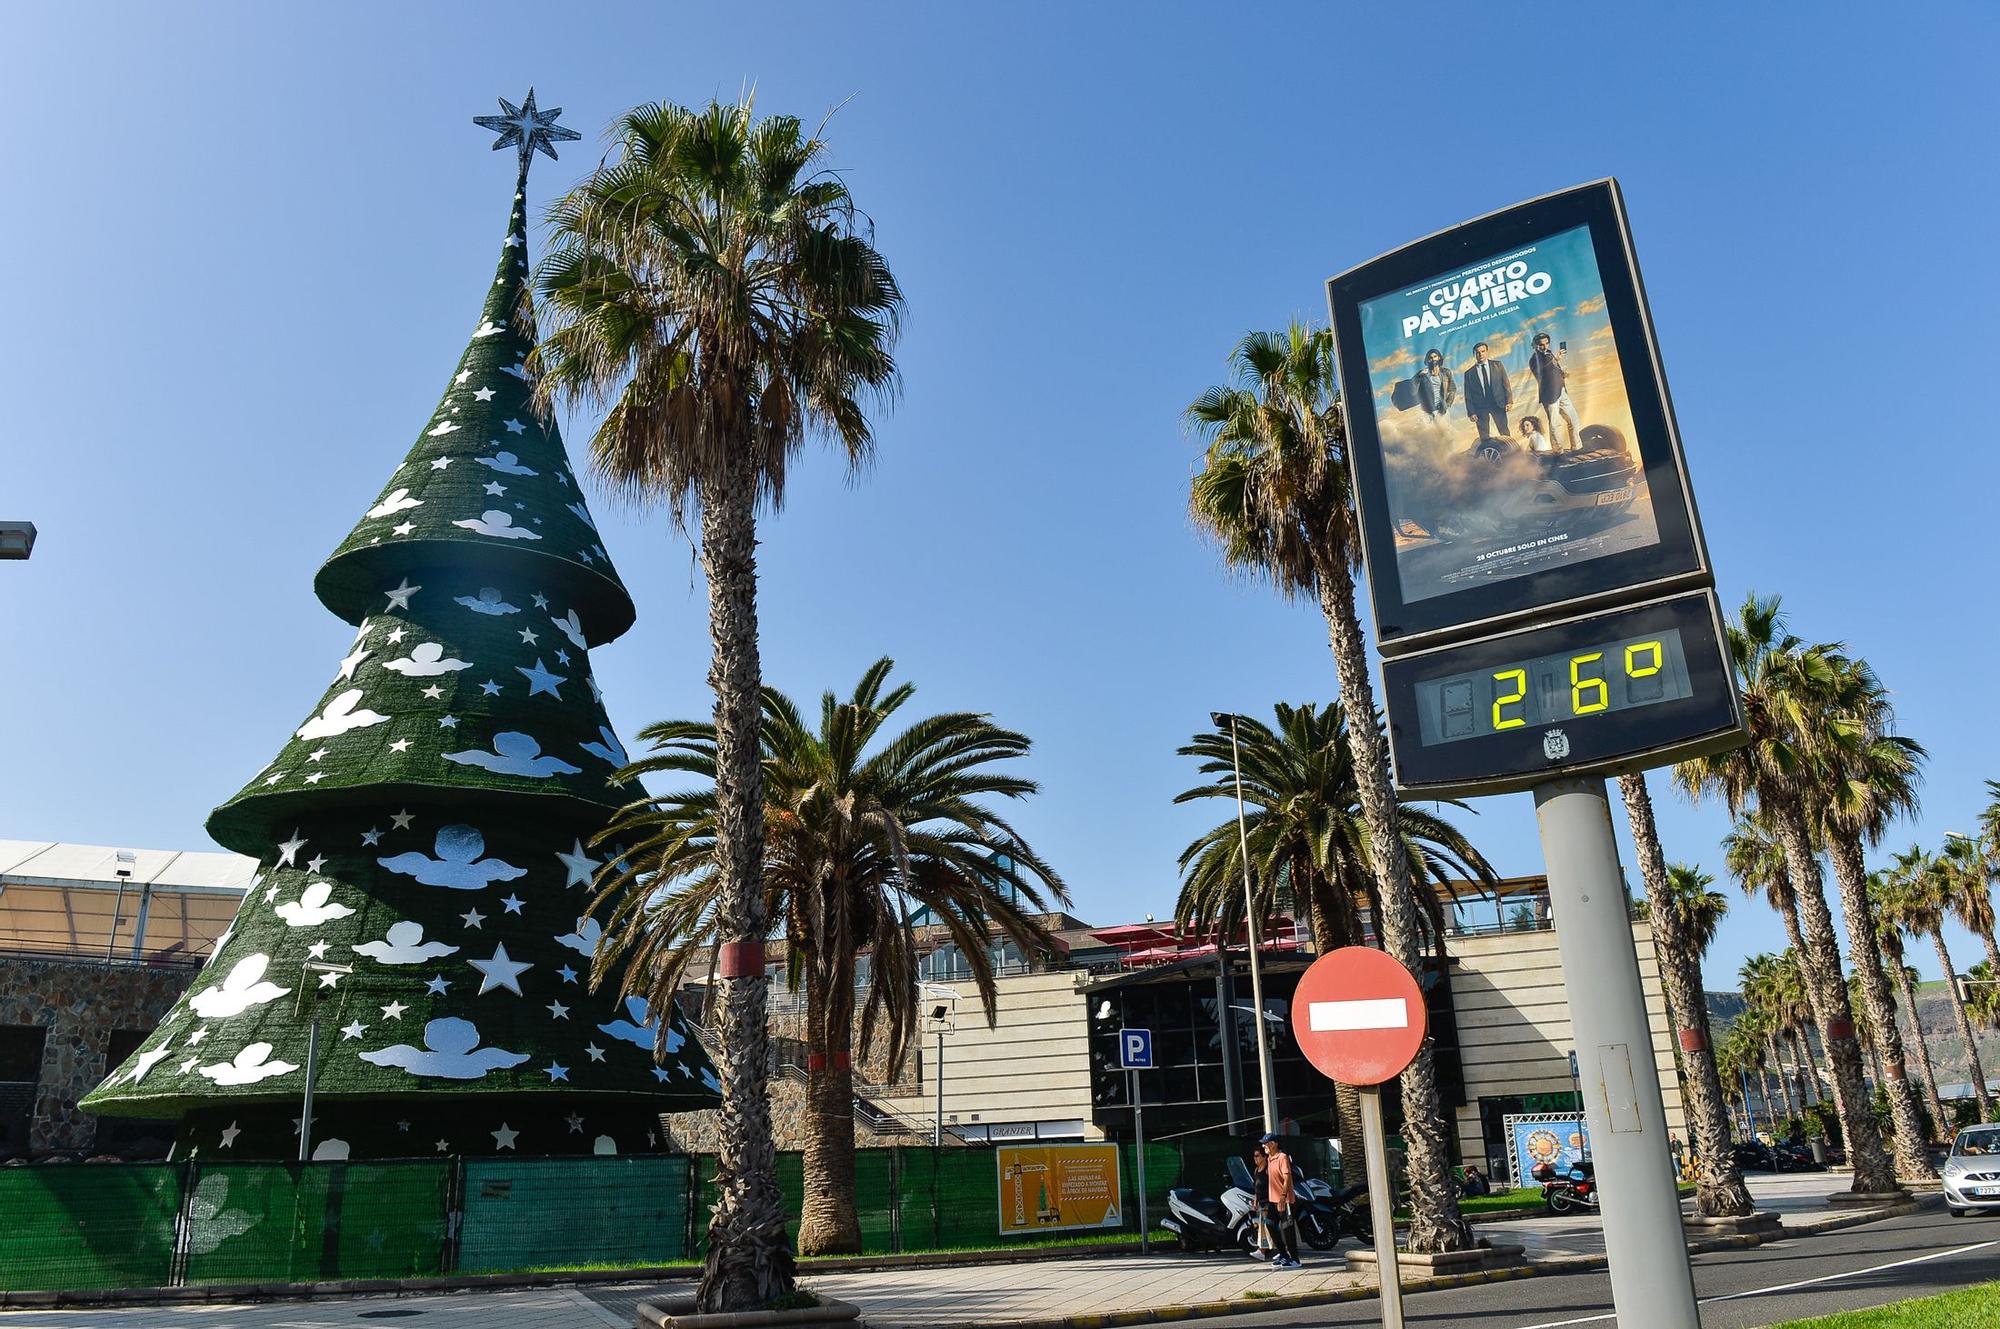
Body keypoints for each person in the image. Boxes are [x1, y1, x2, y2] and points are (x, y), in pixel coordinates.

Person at [1527, 332, 1582, 451]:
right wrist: (1555, 359)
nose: (1545, 346)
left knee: (1574, 419)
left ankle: (1577, 447)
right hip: (1549, 395)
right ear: (1535, 345)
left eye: (1547, 343)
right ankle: (1558, 451)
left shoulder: (1550, 354)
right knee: (1555, 424)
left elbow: (1553, 369)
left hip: (1561, 391)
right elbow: (1541, 371)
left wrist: (1562, 374)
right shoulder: (1533, 359)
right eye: (1541, 345)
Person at [1260, 1133, 1302, 1268]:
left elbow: (1287, 1178)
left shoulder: (1282, 1157)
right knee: (1270, 1224)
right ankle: (1283, 1255)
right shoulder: (1269, 1159)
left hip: (1285, 1200)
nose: (1264, 1146)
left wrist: (1283, 1196)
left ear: (1274, 1144)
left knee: (1287, 1229)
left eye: (1266, 1143)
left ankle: (1295, 1259)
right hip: (1273, 1200)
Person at [1462, 341, 1512, 439]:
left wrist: (1509, 401)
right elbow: (1468, 395)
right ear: (1474, 354)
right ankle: (1488, 453)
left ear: (1487, 352)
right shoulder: (1469, 373)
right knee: (1484, 436)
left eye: (1483, 351)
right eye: (1477, 352)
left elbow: (1506, 384)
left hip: (1498, 403)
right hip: (1480, 407)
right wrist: (1471, 412)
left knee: (1504, 432)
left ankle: (1511, 452)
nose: (1480, 354)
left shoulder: (1498, 365)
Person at [1416, 349, 1456, 419]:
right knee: (1429, 430)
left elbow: (1452, 389)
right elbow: (1414, 389)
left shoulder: (1446, 372)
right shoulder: (1422, 373)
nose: (1433, 359)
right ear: (1428, 360)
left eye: (1435, 356)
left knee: (1445, 429)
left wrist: (1447, 404)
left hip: (1442, 411)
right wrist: (1418, 376)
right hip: (1427, 412)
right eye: (1430, 358)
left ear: (1439, 358)